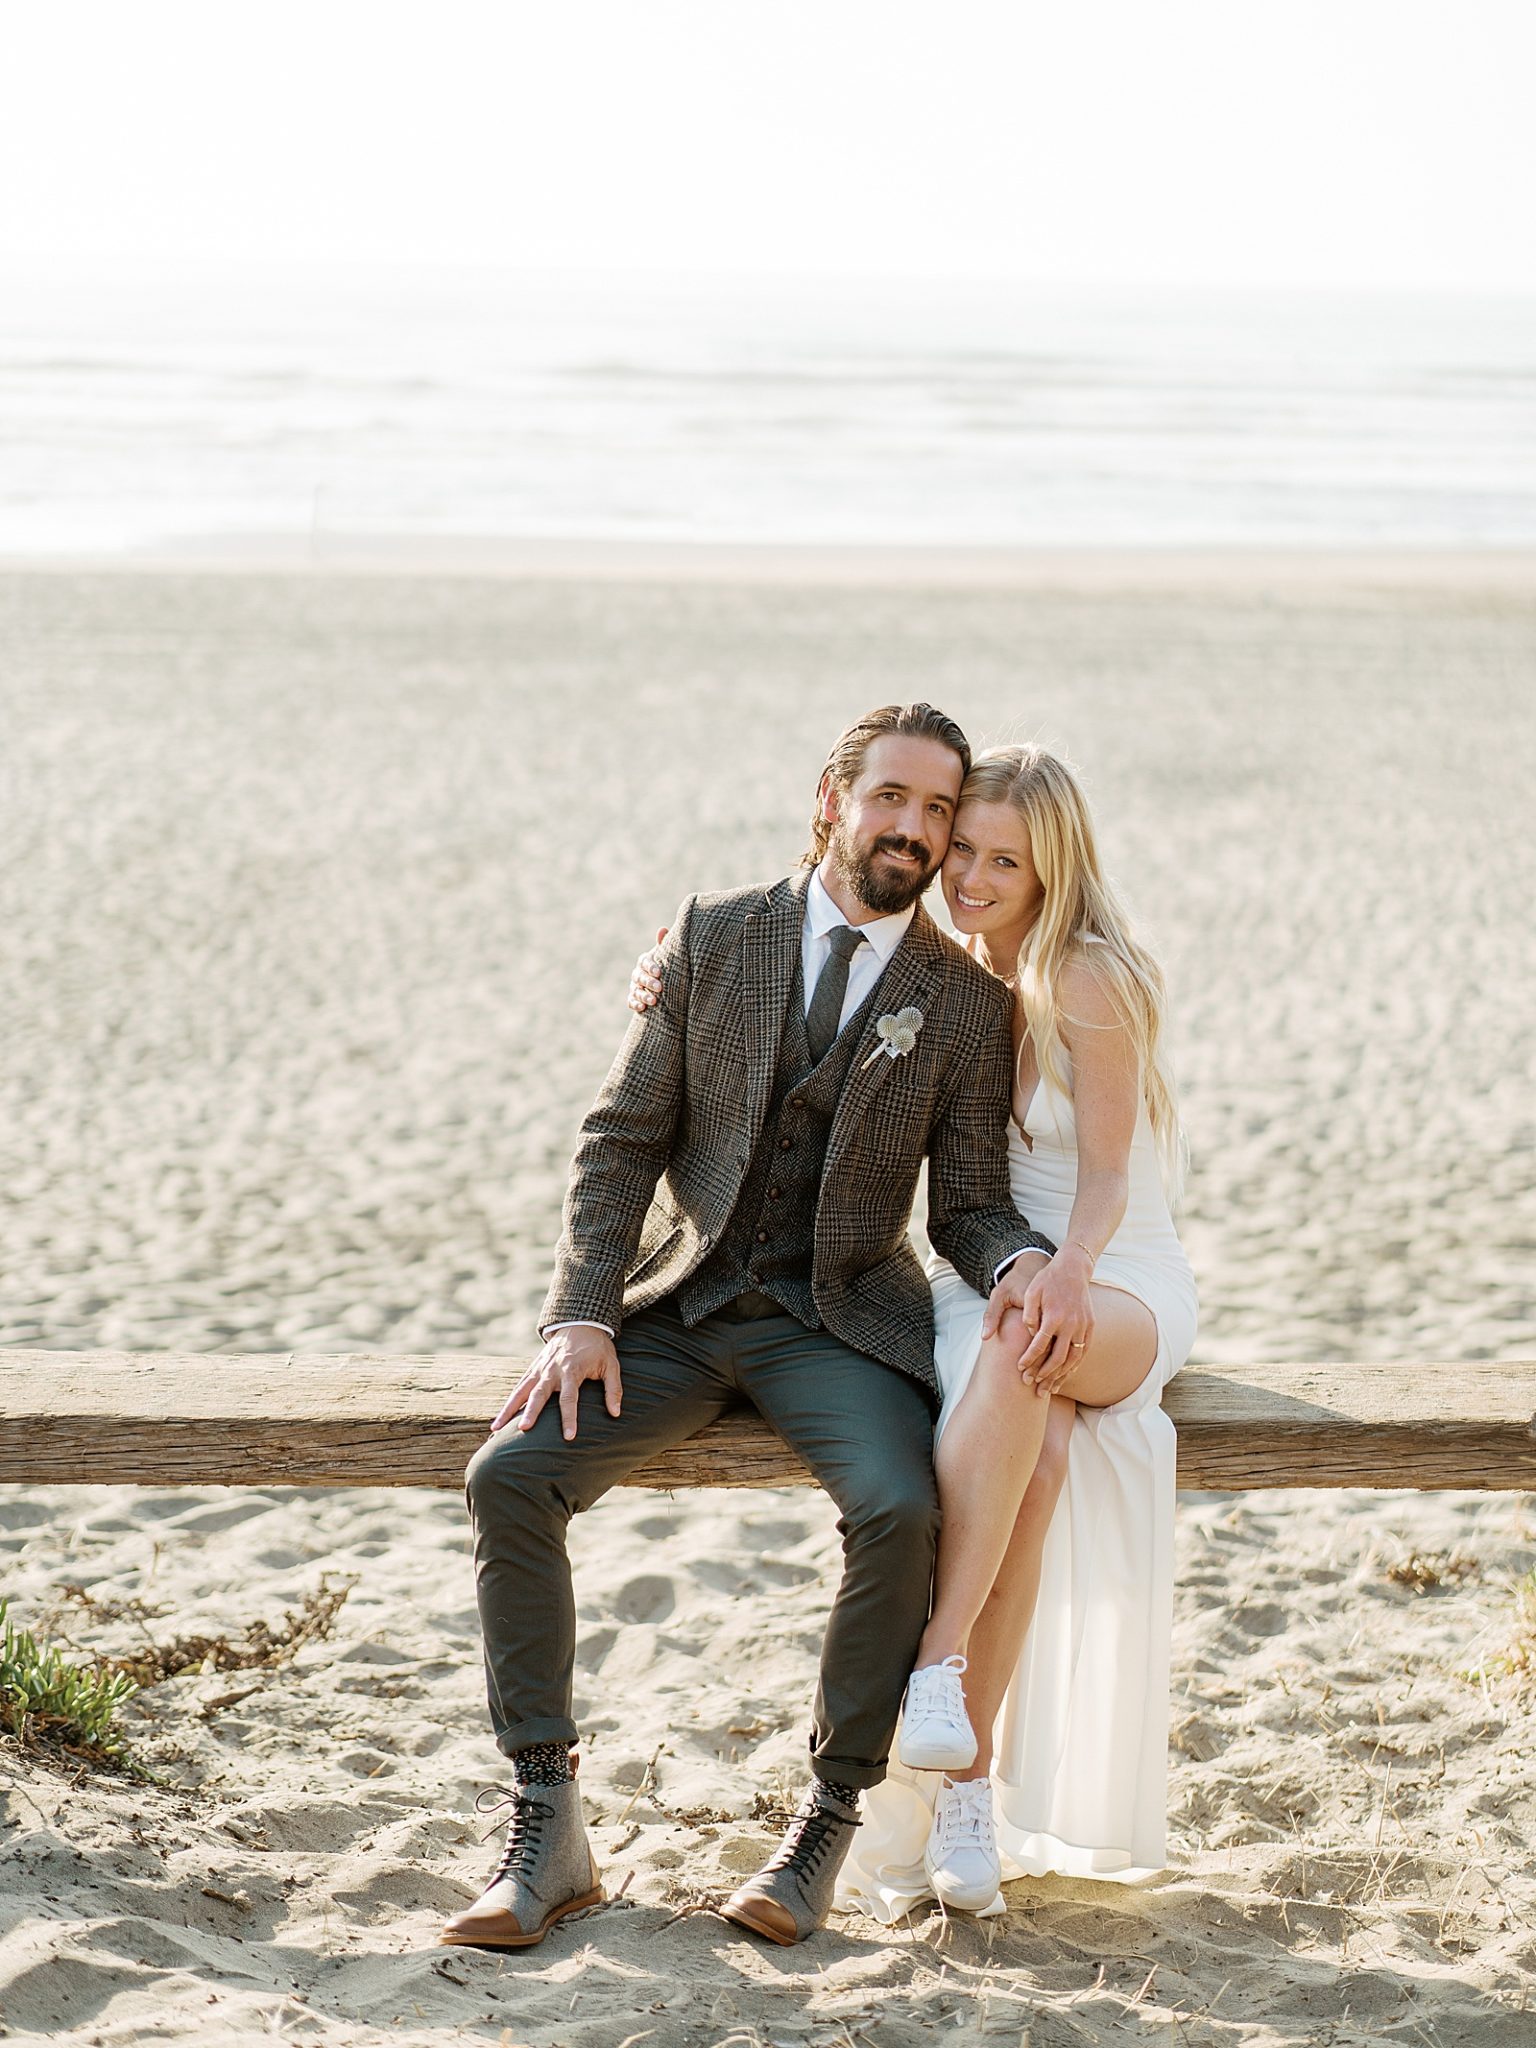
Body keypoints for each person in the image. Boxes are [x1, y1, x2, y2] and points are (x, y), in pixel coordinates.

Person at [444, 704, 1055, 1954]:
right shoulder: (717, 936)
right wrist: (579, 1313)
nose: (914, 829)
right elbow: (621, 1138)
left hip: (837, 1319)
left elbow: (973, 1204)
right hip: (682, 1303)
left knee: (898, 1504)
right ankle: (546, 1824)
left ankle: (823, 1827)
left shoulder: (964, 1000)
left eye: (939, 810)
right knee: (508, 1475)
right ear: (832, 797)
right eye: (892, 796)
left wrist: (1025, 1264)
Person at [629, 742, 1196, 1922]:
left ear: (1054, 870)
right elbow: (789, 977)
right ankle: (969, 1786)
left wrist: (1070, 1271)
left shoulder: (1088, 975)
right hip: (983, 1266)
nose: (974, 877)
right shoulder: (946, 975)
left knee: (1020, 1345)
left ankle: (935, 1662)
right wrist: (668, 970)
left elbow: (1104, 1179)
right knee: (1029, 1449)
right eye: (964, 850)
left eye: (1006, 862)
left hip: (1115, 1275)